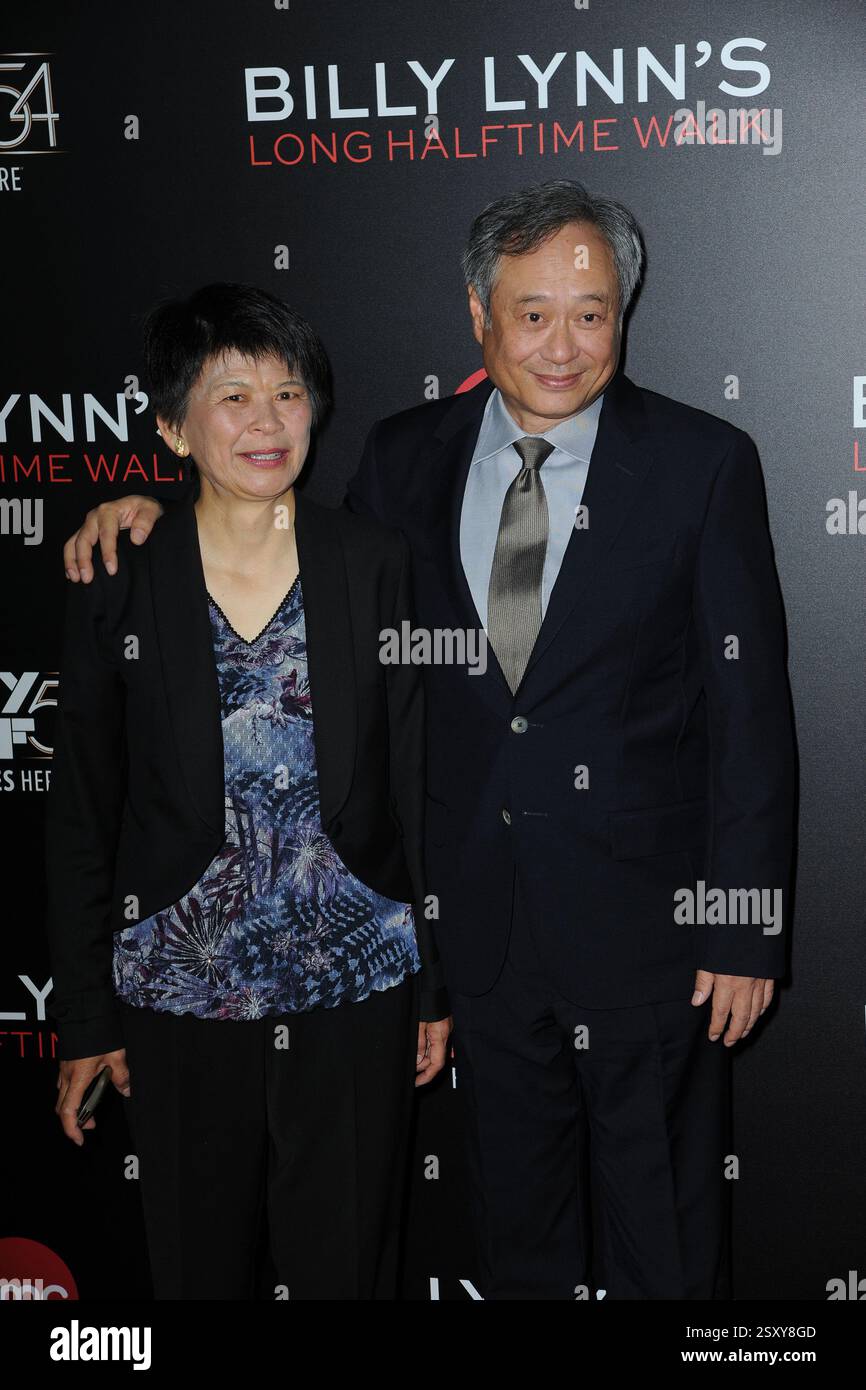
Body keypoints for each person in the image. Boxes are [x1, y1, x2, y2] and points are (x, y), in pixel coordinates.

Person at [61, 180, 797, 1300]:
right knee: (515, 1234)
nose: (561, 344)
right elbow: (276, 537)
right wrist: (149, 511)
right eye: (532, 311)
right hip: (471, 933)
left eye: (589, 312)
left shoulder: (703, 461)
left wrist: (743, 929)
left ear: (622, 316)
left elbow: (749, 709)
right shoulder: (403, 458)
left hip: (650, 940)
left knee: (666, 1240)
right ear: (475, 314)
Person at [46, 281, 451, 1301]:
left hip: (354, 981)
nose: (266, 422)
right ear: (173, 426)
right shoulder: (119, 572)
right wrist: (88, 1018)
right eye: (232, 397)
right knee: (196, 1271)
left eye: (287, 393)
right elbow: (84, 809)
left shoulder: (373, 565)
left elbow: (413, 784)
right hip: (180, 985)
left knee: (345, 1270)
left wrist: (430, 985)